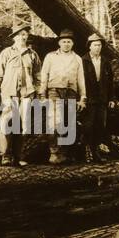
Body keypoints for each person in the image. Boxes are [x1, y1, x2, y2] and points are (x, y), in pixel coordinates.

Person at [0, 23, 40, 166]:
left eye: (24, 34)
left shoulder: (32, 54)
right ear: (14, 37)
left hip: (26, 94)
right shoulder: (6, 53)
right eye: (19, 35)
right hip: (8, 93)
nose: (22, 37)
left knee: (23, 126)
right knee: (5, 124)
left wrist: (37, 90)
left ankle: (18, 157)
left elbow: (38, 75)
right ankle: (5, 155)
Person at [40, 28, 86, 165]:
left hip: (71, 92)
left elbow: (81, 79)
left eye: (69, 42)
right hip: (54, 91)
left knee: (69, 123)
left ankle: (65, 154)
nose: (66, 44)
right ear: (59, 43)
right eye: (64, 41)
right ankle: (54, 152)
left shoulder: (77, 59)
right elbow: (44, 75)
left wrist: (83, 98)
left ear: (72, 44)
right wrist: (42, 95)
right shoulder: (50, 56)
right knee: (54, 122)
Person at [80, 31, 114, 163]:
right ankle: (85, 152)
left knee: (100, 126)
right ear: (89, 46)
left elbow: (110, 82)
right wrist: (81, 98)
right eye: (95, 45)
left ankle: (96, 153)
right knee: (87, 126)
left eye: (99, 45)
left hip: (102, 100)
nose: (97, 47)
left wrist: (111, 99)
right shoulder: (83, 61)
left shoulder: (106, 62)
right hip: (88, 100)